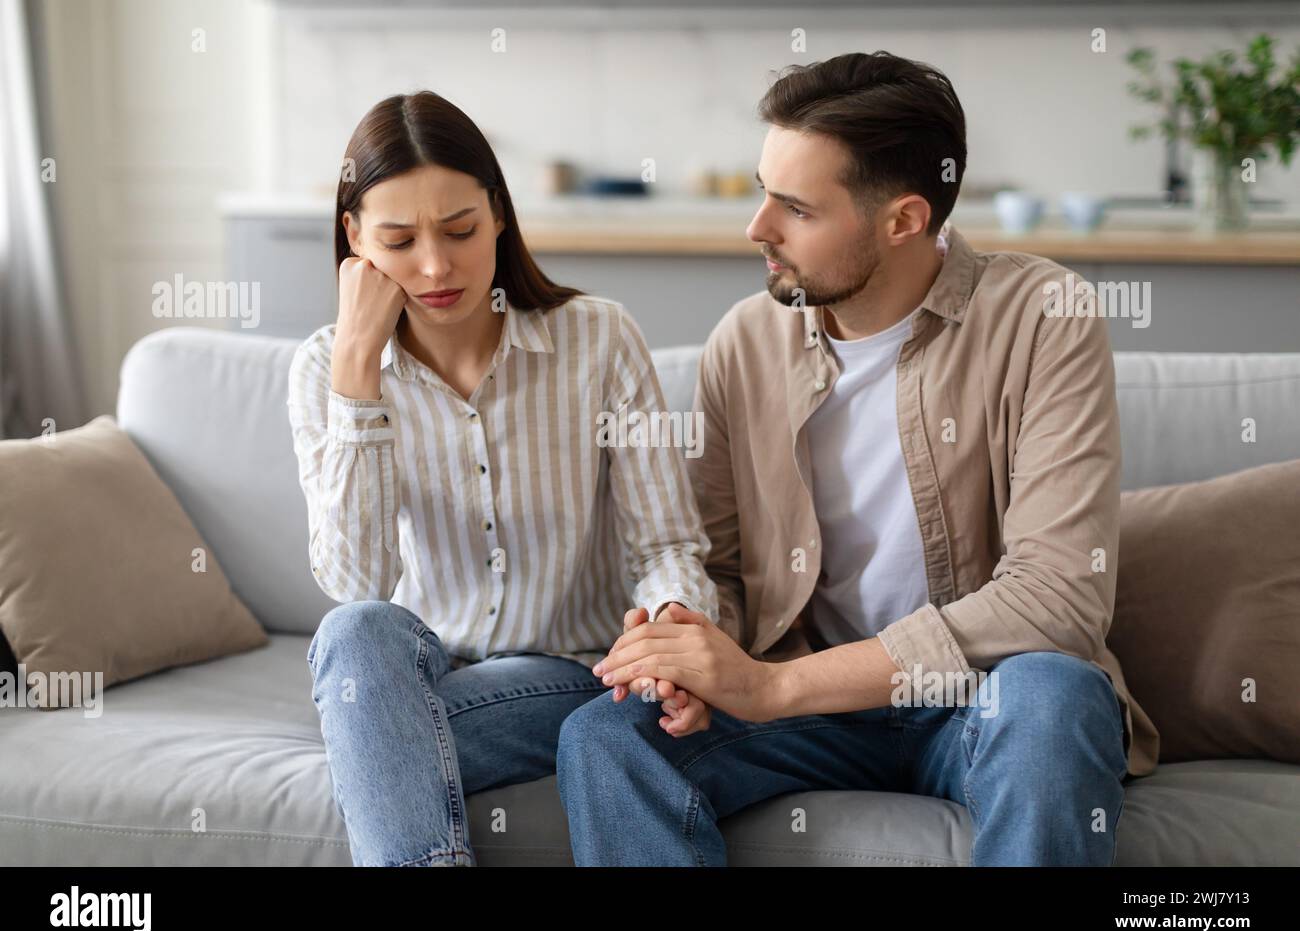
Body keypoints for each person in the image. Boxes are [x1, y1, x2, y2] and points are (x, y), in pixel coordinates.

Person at [556, 51, 1160, 866]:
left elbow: (1059, 600)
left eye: (795, 208)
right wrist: (688, 648)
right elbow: (722, 569)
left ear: (904, 220)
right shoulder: (745, 341)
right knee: (608, 734)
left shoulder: (1043, 316)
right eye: (763, 190)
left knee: (1054, 698)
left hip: (982, 700)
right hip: (808, 712)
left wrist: (771, 688)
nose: (756, 227)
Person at [287, 90, 717, 866]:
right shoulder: (324, 368)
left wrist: (674, 625)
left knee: (373, 736)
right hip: (419, 673)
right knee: (354, 635)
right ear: (353, 239)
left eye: (460, 230)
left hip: (572, 679)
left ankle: (377, 751)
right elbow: (358, 584)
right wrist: (358, 374)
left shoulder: (600, 339)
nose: (435, 265)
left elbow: (667, 543)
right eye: (398, 239)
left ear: (499, 214)